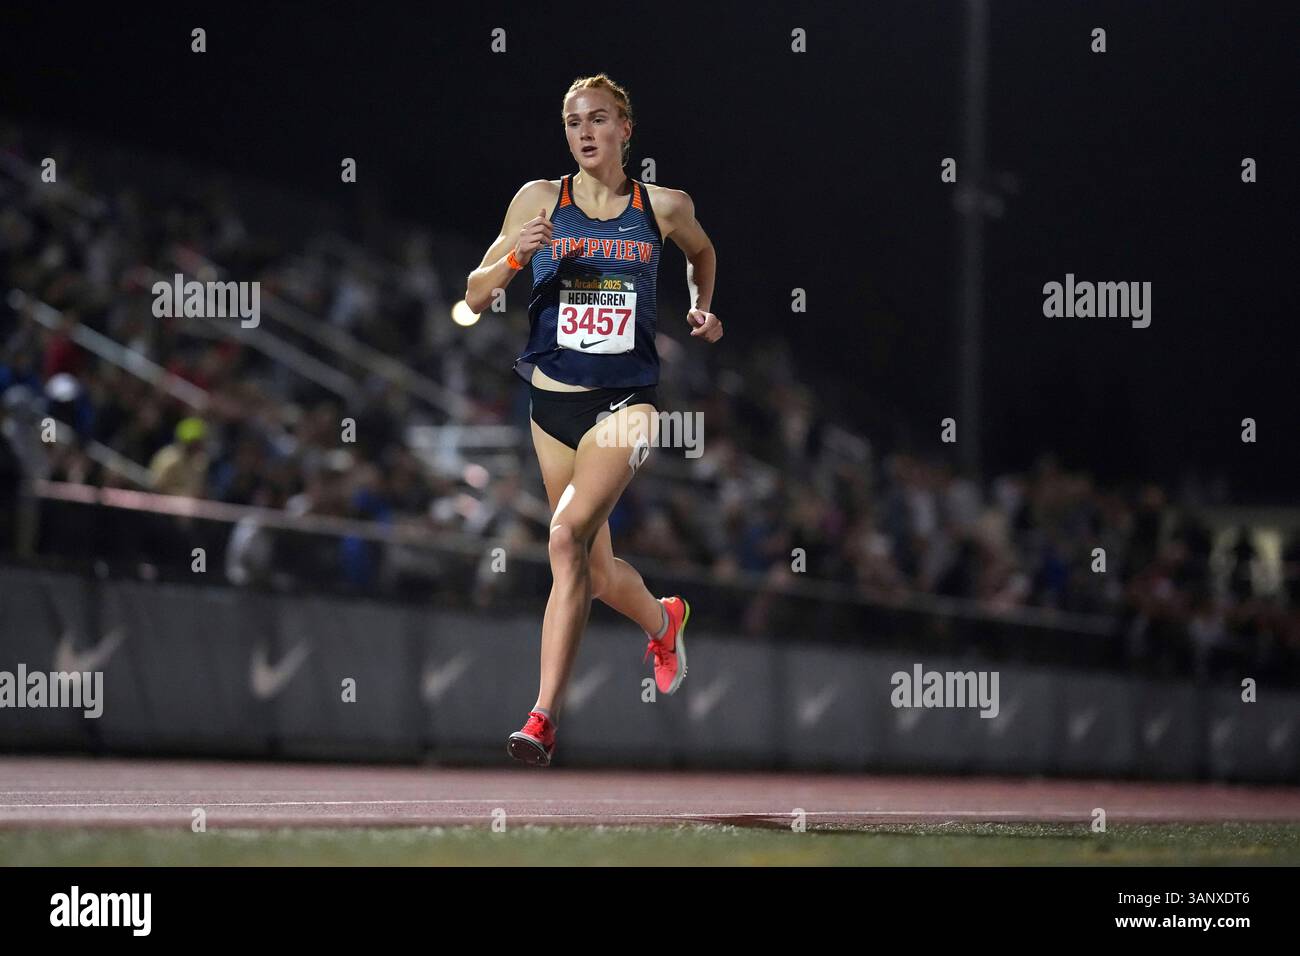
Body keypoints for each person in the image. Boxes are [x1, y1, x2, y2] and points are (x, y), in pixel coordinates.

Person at [465, 73, 723, 766]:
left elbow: (703, 251)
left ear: (625, 130)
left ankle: (544, 716)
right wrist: (519, 252)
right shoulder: (537, 200)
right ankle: (664, 619)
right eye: (574, 120)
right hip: (550, 405)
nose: (584, 131)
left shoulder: (663, 206)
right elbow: (474, 292)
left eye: (599, 119)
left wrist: (701, 304)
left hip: (626, 405)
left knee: (563, 537)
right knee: (597, 572)